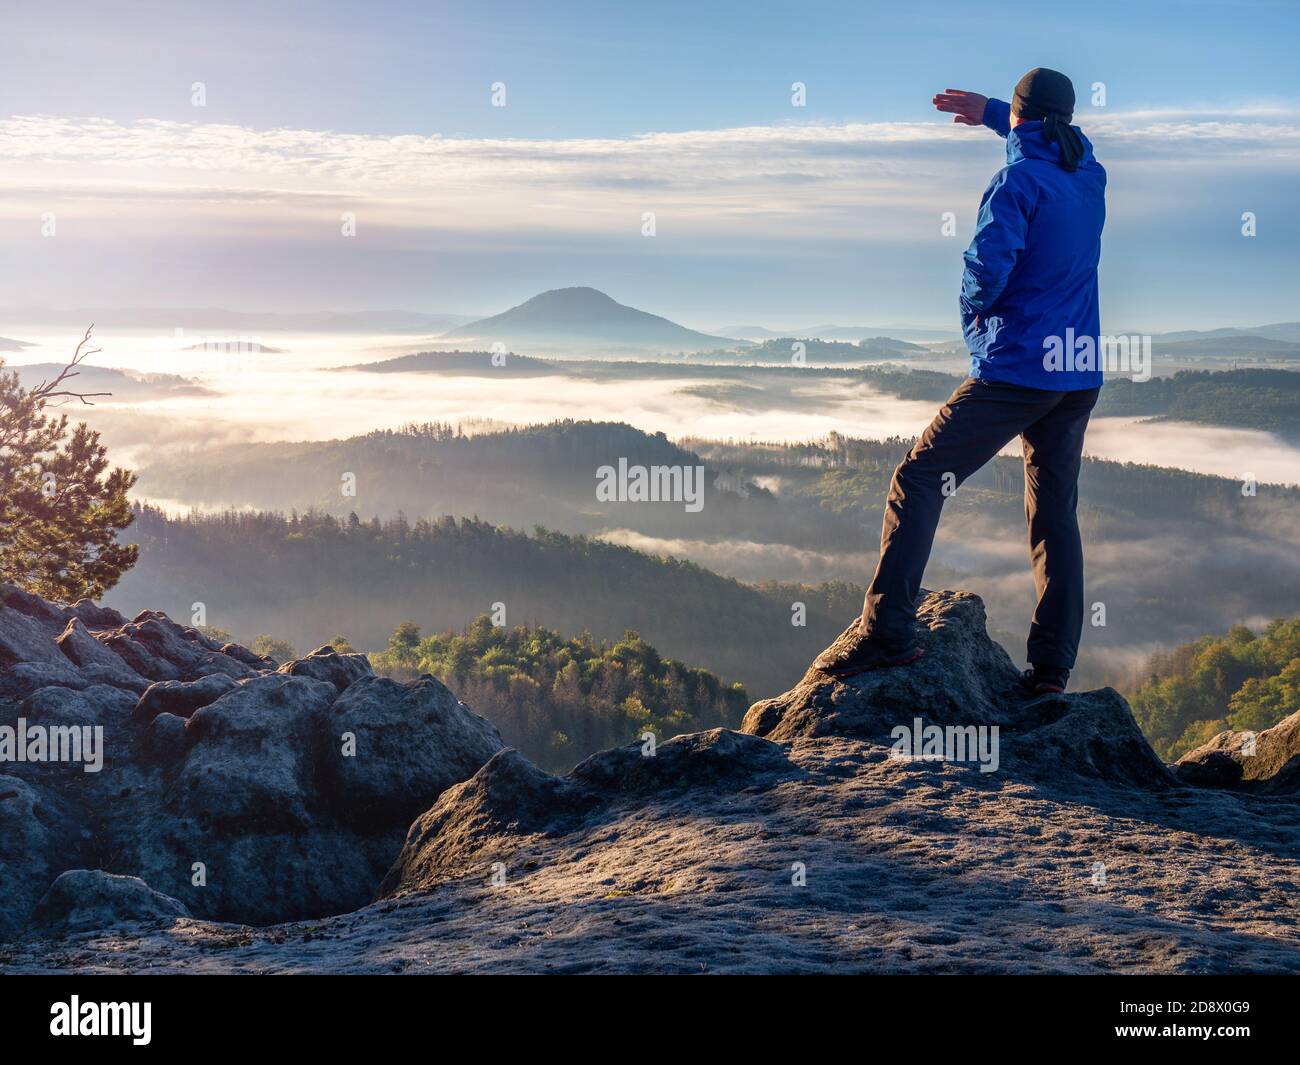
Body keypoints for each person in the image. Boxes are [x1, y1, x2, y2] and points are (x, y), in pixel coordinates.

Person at [816, 68, 1106, 695]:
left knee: (918, 478)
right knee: (1055, 512)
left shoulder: (1015, 183)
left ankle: (888, 633)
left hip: (1018, 370)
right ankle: (1051, 670)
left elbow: (986, 266)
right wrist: (994, 112)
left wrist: (974, 313)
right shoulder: (1089, 176)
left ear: (1025, 119)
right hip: (1076, 373)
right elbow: (1047, 138)